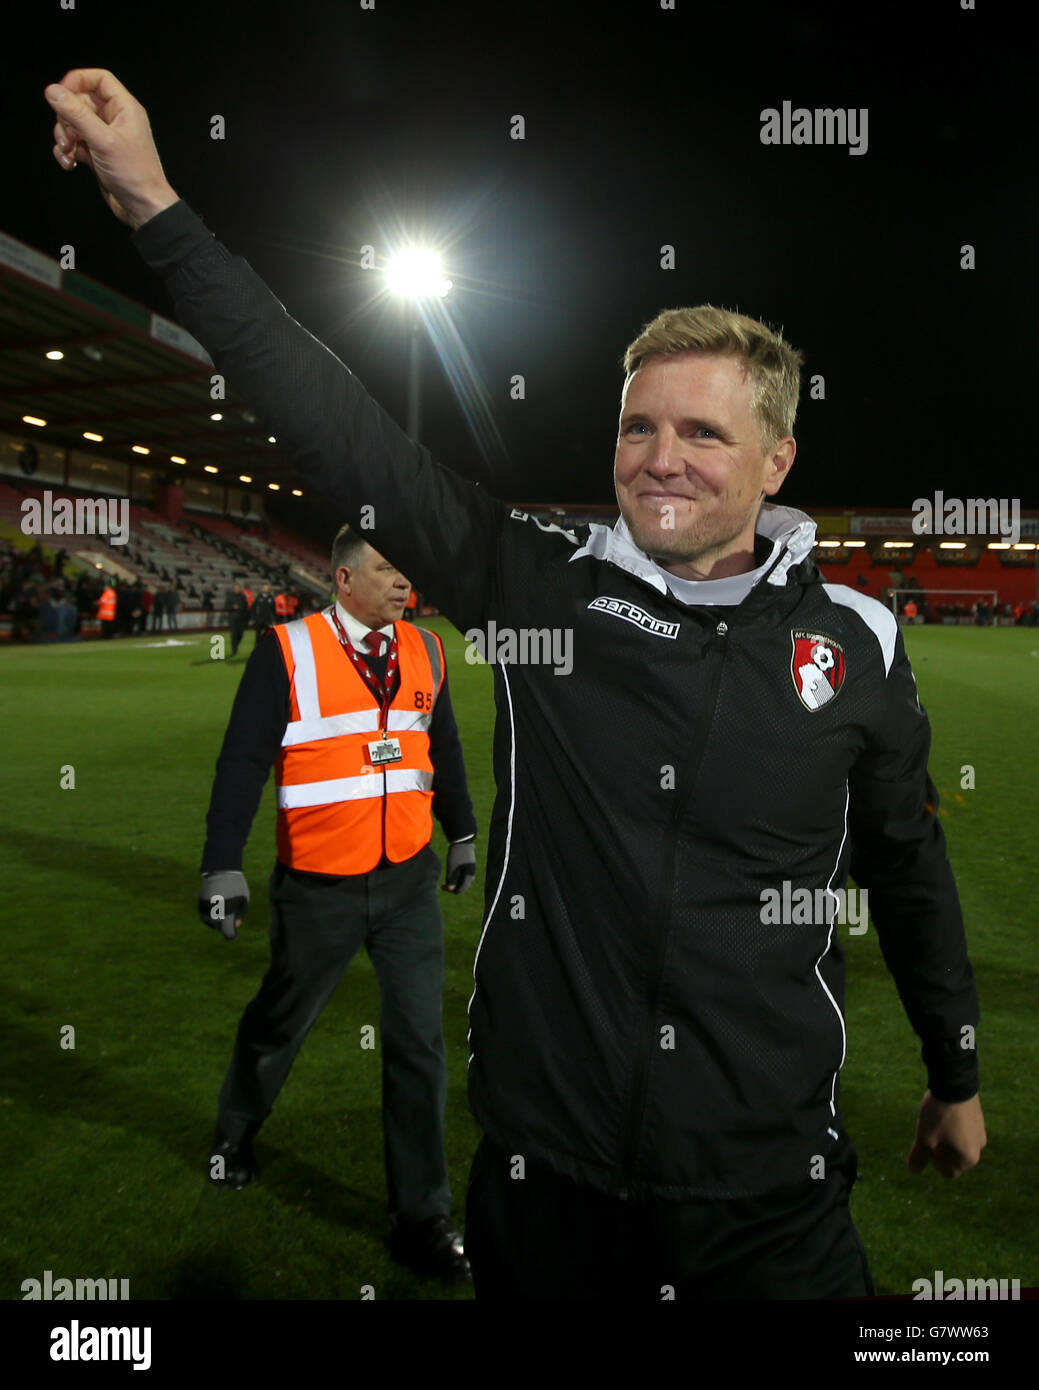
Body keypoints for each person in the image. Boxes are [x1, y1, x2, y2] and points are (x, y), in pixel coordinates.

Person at [47, 69, 987, 1301]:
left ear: (777, 457)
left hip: (767, 1190)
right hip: (549, 1183)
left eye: (702, 434)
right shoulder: (537, 582)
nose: (660, 462)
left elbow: (908, 864)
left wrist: (953, 1066)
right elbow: (340, 426)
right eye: (637, 427)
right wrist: (154, 201)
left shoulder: (856, 638)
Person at [197, 525, 478, 1283]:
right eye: (387, 570)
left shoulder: (425, 650)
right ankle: (236, 1129)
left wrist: (461, 831)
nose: (402, 583)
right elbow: (243, 762)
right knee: (280, 1021)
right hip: (318, 883)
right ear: (344, 579)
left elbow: (438, 745)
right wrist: (221, 864)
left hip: (406, 882)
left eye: (406, 570)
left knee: (419, 1045)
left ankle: (422, 1218)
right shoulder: (285, 651)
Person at [227, 581, 249, 657]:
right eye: (235, 588)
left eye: (238, 588)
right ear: (233, 589)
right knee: (234, 635)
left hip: (241, 618)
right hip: (233, 619)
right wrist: (232, 607)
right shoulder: (230, 596)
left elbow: (246, 607)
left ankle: (236, 644)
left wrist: (246, 617)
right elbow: (226, 606)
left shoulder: (243, 596)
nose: (237, 589)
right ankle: (234, 650)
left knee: (241, 634)